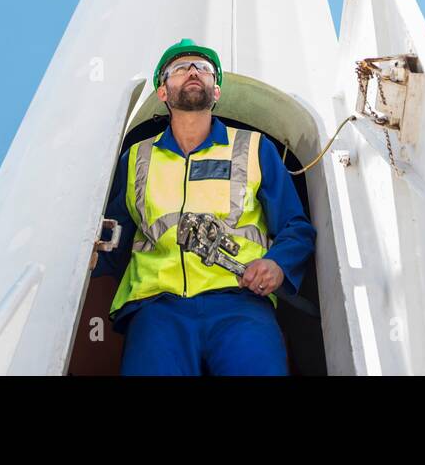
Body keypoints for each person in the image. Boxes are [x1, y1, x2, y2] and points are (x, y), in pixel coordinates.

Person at [90, 38, 316, 375]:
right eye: (180, 69)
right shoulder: (137, 158)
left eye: (204, 69)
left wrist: (277, 265)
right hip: (156, 309)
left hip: (240, 303)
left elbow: (294, 226)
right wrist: (88, 263)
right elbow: (115, 235)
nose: (194, 71)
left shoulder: (254, 148)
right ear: (163, 92)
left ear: (216, 91)